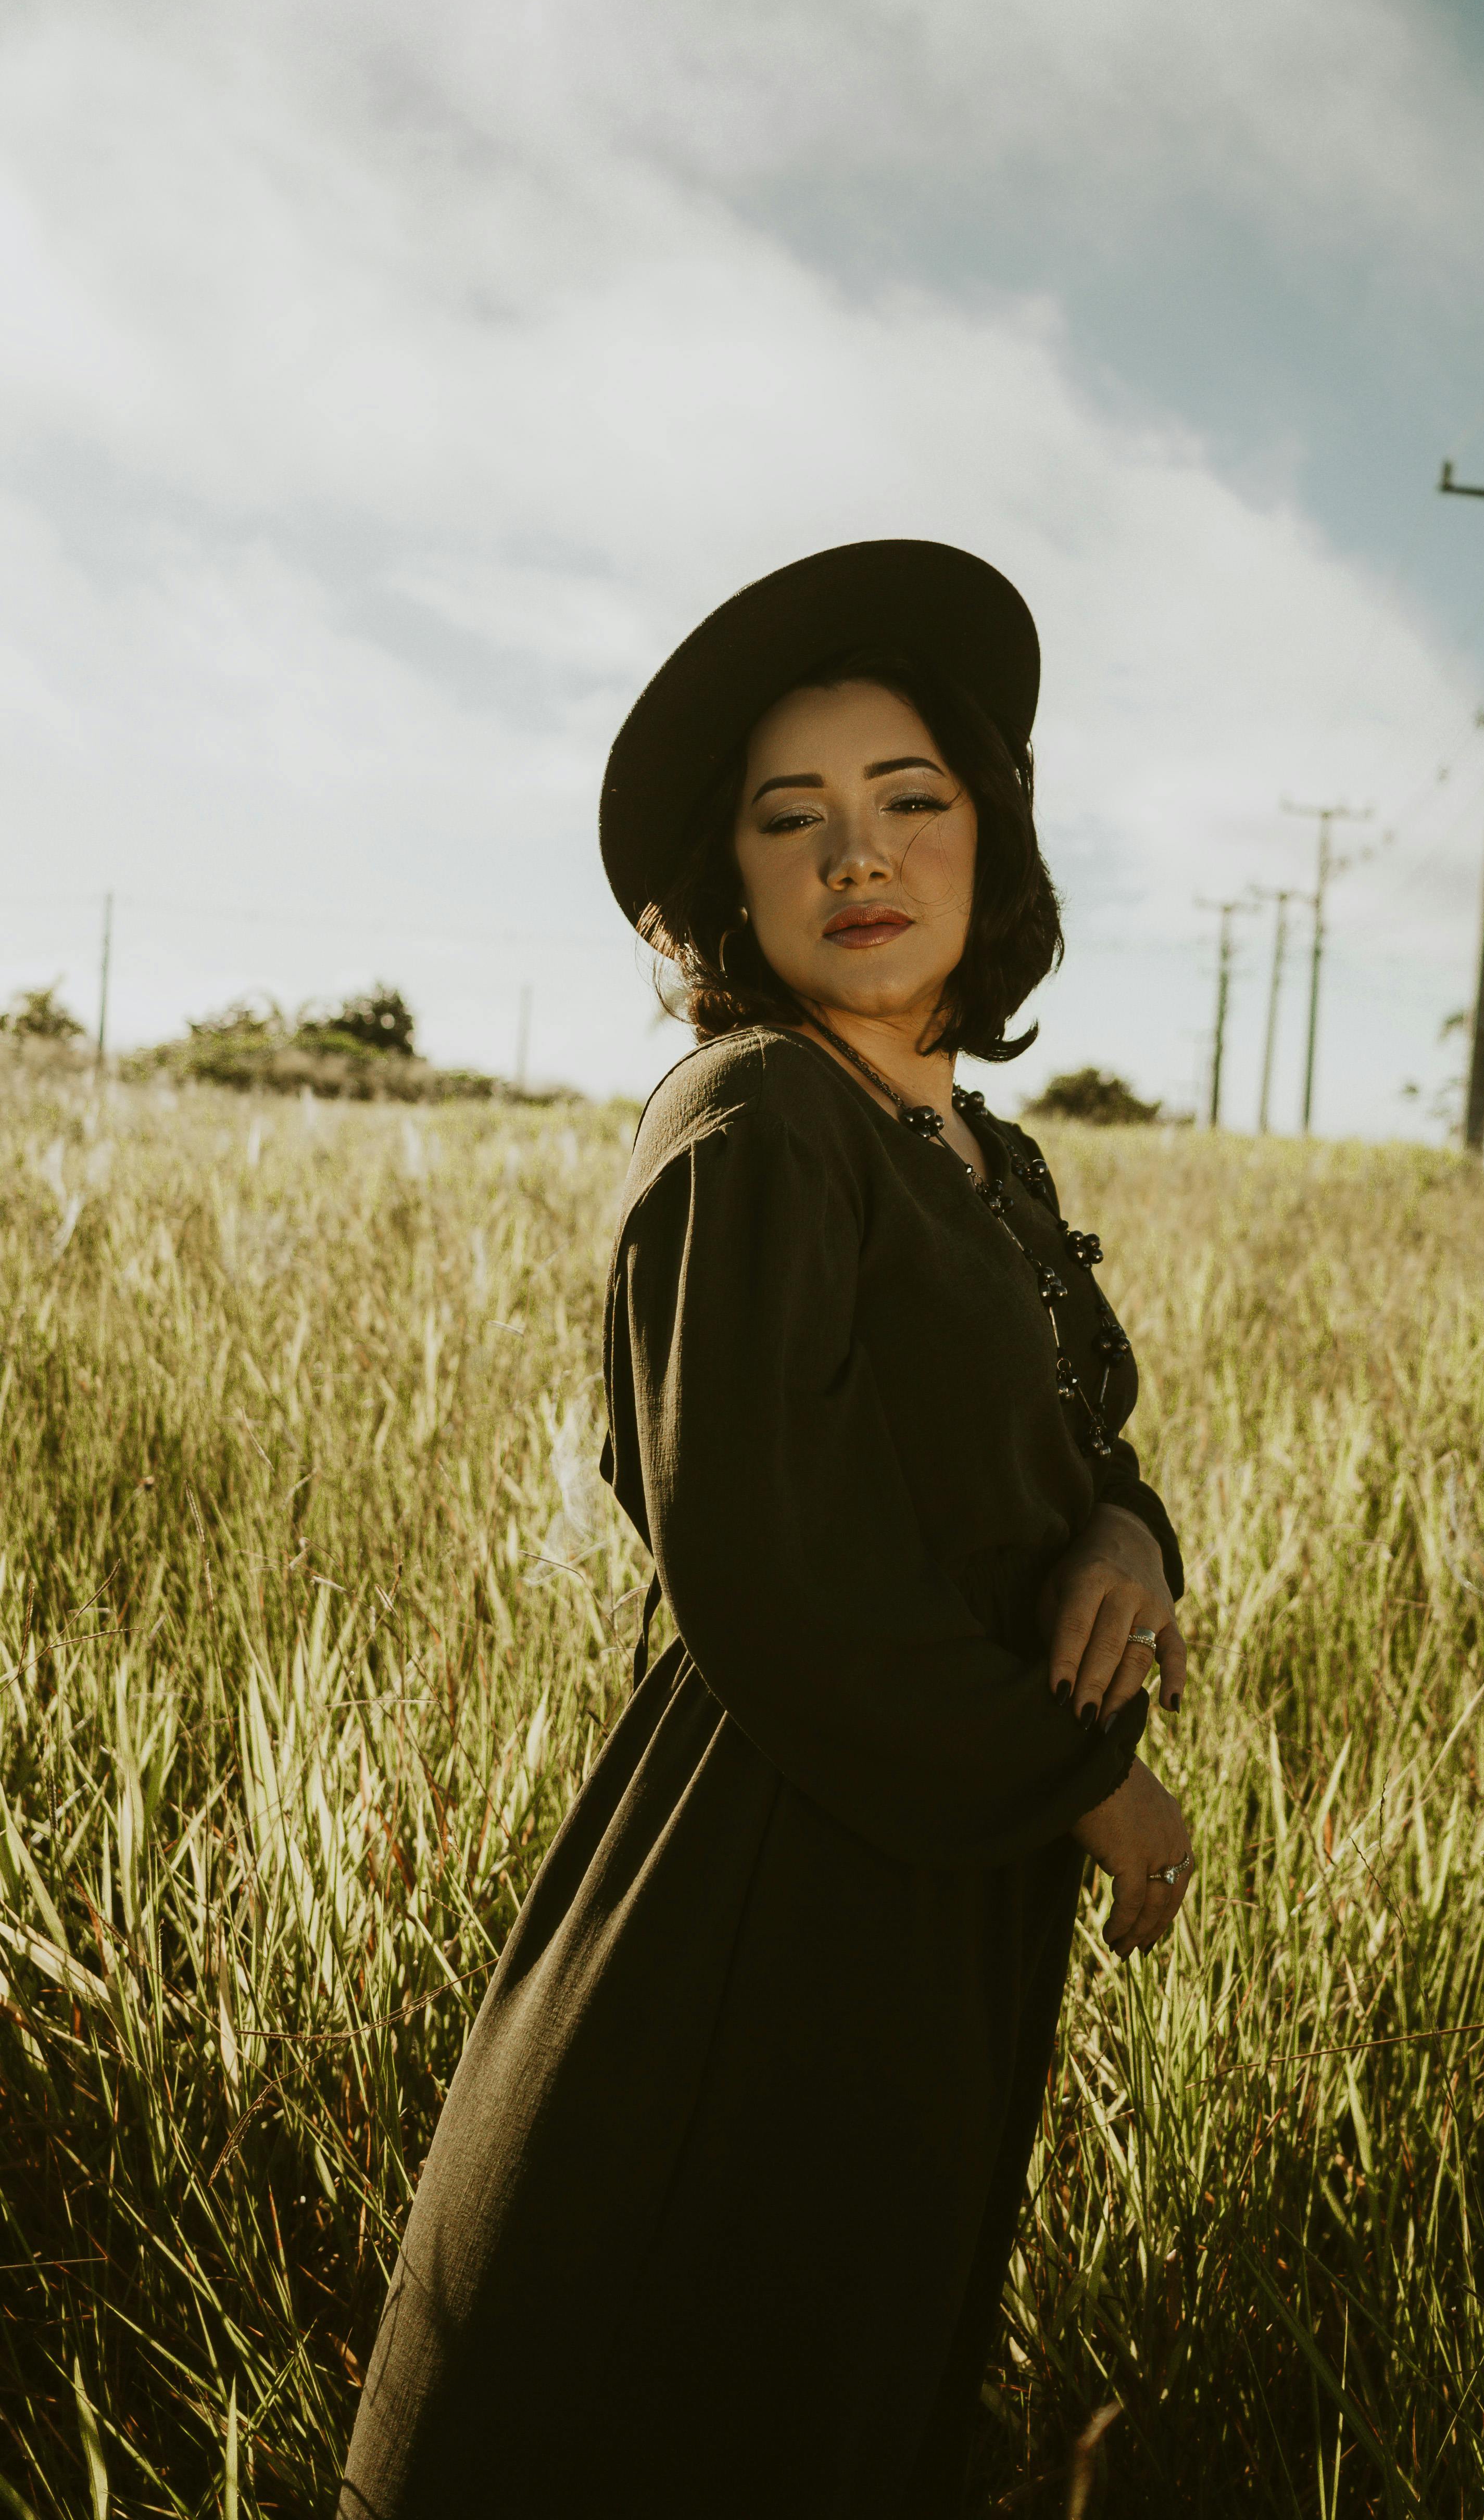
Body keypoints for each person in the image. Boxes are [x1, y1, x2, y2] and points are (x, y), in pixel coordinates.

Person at [340, 539, 1193, 2520]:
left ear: (993, 838)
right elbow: (767, 1573)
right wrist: (1086, 1781)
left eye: (910, 800)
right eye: (789, 818)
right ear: (732, 881)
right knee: (678, 2368)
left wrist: (1128, 1539)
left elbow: (1077, 1435)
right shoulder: (753, 1120)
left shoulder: (981, 1145)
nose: (856, 855)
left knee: (852, 2374)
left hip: (939, 1878)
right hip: (776, 1867)